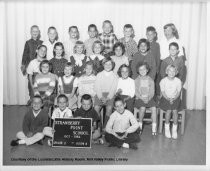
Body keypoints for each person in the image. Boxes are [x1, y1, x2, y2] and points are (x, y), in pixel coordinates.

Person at [94, 57, 118, 129]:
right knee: (96, 108)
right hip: (100, 95)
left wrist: (108, 98)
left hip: (110, 96)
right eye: (106, 64)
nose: (108, 66)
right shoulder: (99, 75)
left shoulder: (115, 76)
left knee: (109, 108)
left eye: (110, 64)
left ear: (112, 65)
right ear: (103, 65)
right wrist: (101, 97)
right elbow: (97, 87)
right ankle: (99, 126)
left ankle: (106, 127)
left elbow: (113, 89)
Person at [159, 65, 182, 139]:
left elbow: (178, 93)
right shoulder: (163, 81)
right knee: (168, 111)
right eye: (170, 71)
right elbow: (163, 92)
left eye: (173, 71)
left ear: (176, 72)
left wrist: (174, 98)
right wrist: (168, 99)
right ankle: (167, 128)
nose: (171, 73)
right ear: (166, 72)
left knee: (175, 111)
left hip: (176, 98)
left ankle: (174, 130)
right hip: (165, 98)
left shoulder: (178, 81)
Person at [134, 62, 157, 135]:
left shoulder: (150, 80)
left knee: (154, 108)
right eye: (140, 70)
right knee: (142, 108)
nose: (142, 71)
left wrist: (148, 98)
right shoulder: (137, 80)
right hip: (139, 98)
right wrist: (142, 98)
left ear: (147, 70)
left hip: (149, 98)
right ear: (138, 71)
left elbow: (152, 91)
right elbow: (136, 91)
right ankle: (139, 126)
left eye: (144, 69)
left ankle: (154, 127)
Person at [146, 26, 161, 97]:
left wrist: (157, 68)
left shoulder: (157, 45)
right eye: (148, 34)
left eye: (151, 34)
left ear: (155, 35)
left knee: (153, 83)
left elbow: (158, 57)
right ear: (146, 35)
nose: (150, 36)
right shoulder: (143, 44)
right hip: (145, 68)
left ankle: (153, 99)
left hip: (153, 68)